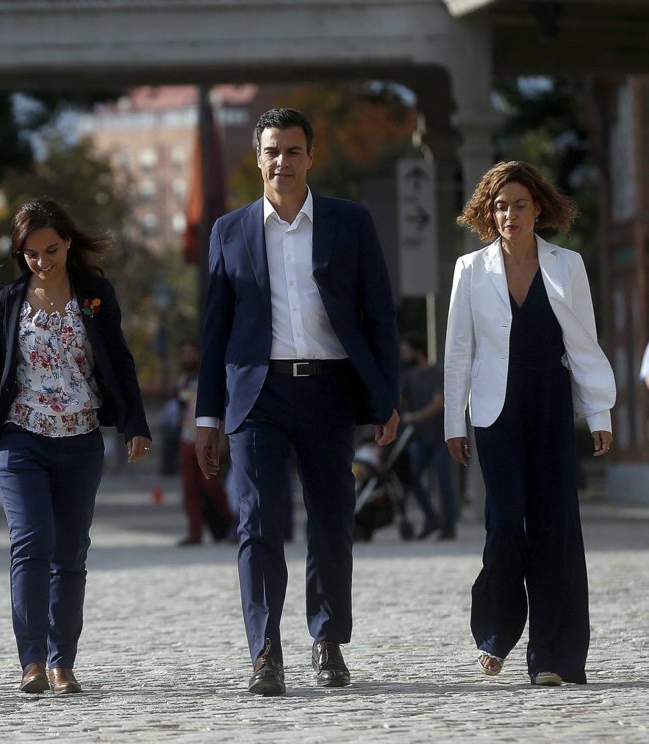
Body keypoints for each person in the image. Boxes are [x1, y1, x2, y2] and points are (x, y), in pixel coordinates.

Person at [195, 108, 400, 696]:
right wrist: (208, 416)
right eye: (271, 151)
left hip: (330, 390)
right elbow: (215, 331)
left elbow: (379, 314)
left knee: (332, 519)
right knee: (257, 522)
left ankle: (328, 640)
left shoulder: (349, 223)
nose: (281, 161)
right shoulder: (229, 231)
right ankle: (265, 653)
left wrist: (385, 397)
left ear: (311, 156)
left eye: (292, 150)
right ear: (257, 159)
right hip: (256, 394)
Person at [0, 199, 151, 696]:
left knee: (70, 553)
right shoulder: (8, 299)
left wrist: (135, 423)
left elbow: (118, 358)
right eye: (30, 253)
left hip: (79, 441)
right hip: (20, 438)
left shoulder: (95, 294)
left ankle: (61, 662)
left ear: (68, 243)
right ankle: (30, 661)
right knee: (31, 542)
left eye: (51, 250)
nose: (42, 261)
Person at [445, 160, 615, 686]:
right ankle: (496, 631)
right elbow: (457, 350)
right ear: (488, 213)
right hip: (496, 410)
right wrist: (455, 419)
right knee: (506, 525)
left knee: (556, 527)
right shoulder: (471, 270)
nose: (510, 214)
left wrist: (598, 413)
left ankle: (553, 657)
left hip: (549, 401)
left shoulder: (568, 265)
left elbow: (583, 343)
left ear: (538, 208)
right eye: (500, 206)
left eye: (520, 204)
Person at [399, 336, 457, 539]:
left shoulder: (438, 373)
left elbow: (439, 402)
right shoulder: (408, 377)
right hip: (418, 439)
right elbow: (402, 401)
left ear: (418, 351)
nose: (404, 356)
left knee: (444, 483)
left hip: (440, 438)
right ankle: (431, 519)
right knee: (413, 479)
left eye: (407, 351)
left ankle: (448, 526)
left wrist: (416, 416)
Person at [175, 340, 232, 545]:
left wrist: (222, 437)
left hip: (208, 438)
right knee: (190, 488)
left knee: (212, 487)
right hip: (186, 438)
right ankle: (194, 532)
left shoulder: (211, 378)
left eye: (191, 353)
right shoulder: (183, 380)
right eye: (184, 353)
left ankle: (233, 526)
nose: (187, 357)